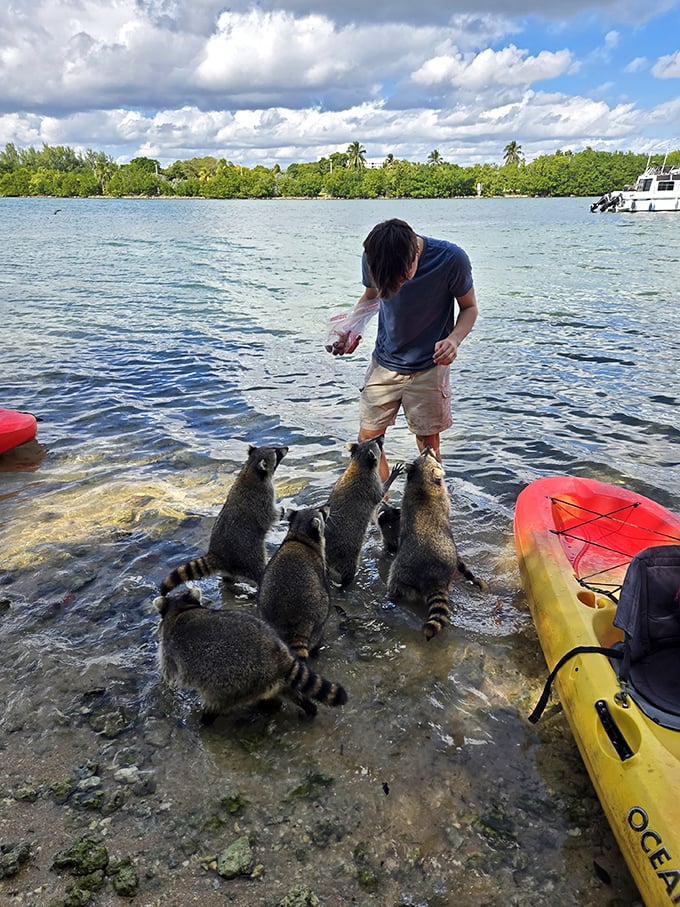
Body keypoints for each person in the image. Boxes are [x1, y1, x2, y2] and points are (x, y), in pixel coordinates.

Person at [329, 218, 478, 483]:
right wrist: (352, 329)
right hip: (384, 362)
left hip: (430, 366)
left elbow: (469, 308)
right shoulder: (375, 255)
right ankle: (382, 510)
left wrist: (454, 340)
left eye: (400, 278)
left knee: (427, 445)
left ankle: (433, 512)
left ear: (416, 255)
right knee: (368, 443)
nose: (396, 287)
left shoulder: (451, 259)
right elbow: (371, 296)